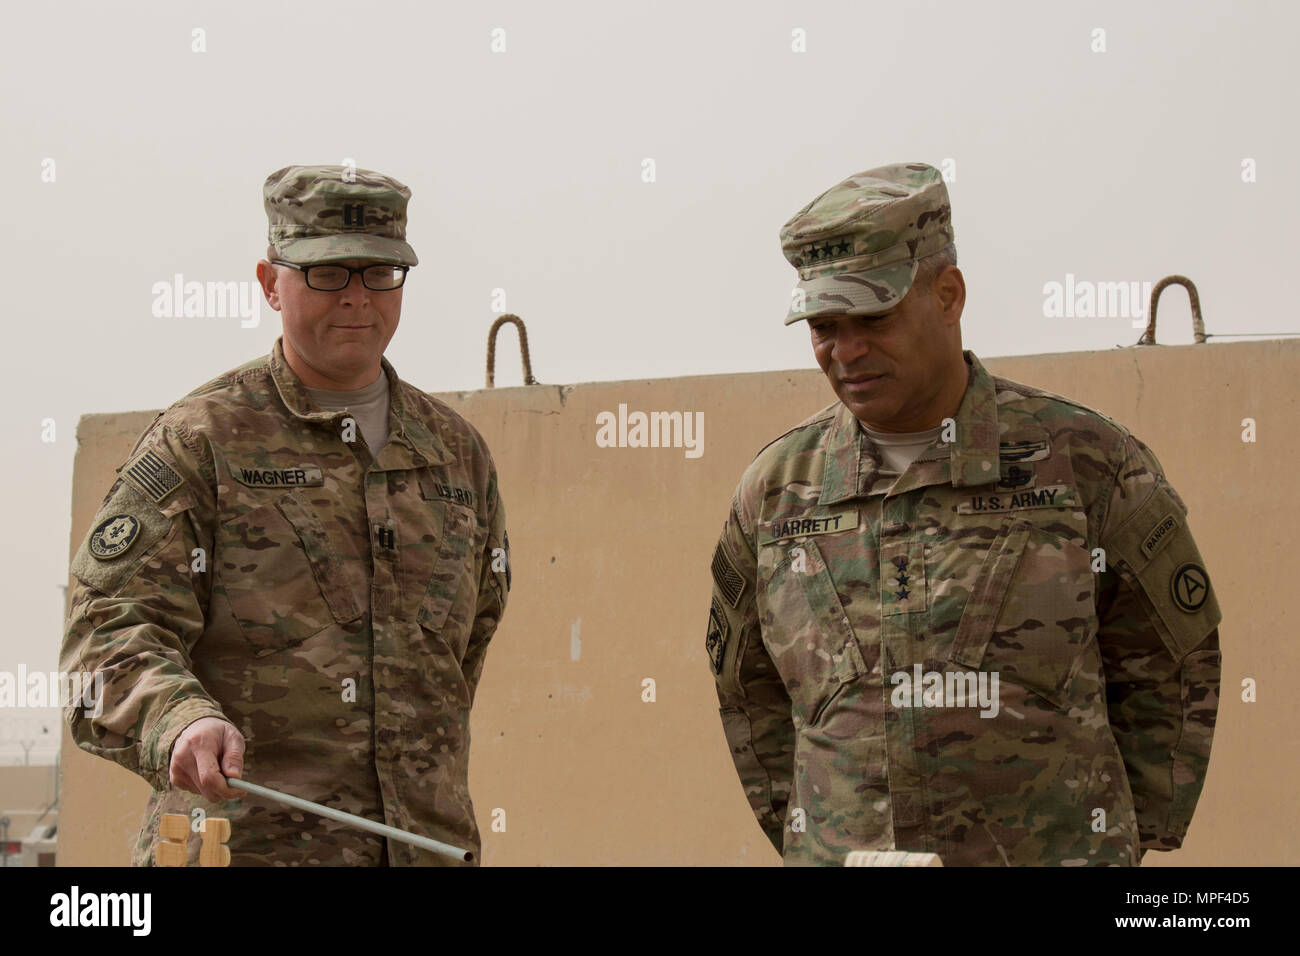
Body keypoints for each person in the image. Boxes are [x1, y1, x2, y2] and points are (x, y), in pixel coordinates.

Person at [705, 162, 1221, 866]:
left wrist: (1116, 838)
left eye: (873, 318)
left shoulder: (1086, 463)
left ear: (948, 295)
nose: (846, 350)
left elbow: (1170, 662)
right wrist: (816, 835)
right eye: (825, 325)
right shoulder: (776, 493)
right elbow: (748, 690)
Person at [61, 164, 510, 866]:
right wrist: (180, 721)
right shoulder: (202, 441)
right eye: (328, 273)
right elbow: (105, 634)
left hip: (423, 848)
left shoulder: (456, 456)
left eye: (379, 273)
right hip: (244, 851)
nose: (357, 298)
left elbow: (466, 647)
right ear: (271, 283)